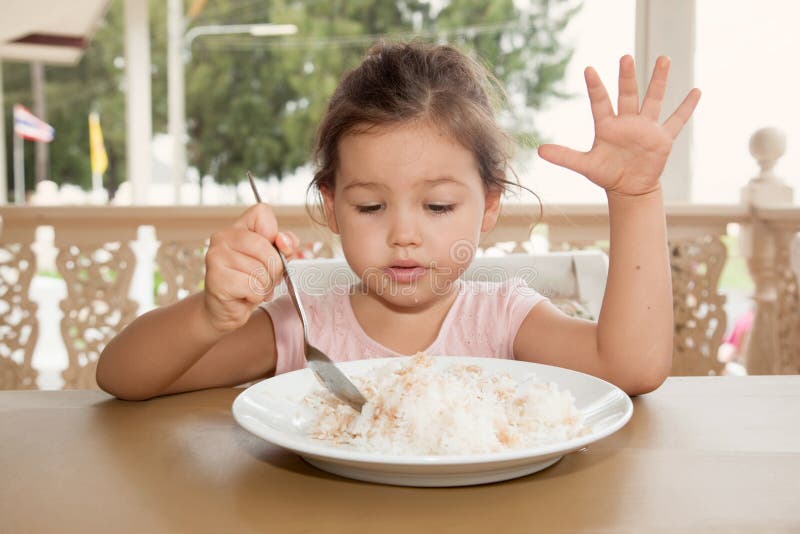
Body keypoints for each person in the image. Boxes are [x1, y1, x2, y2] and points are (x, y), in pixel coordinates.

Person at [96, 41, 700, 401]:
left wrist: (637, 197)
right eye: (369, 207)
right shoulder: (299, 330)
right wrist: (209, 314)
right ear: (330, 206)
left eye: (438, 207)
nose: (404, 234)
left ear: (489, 205)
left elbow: (631, 370)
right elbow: (121, 375)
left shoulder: (504, 319)